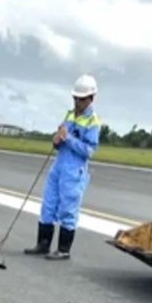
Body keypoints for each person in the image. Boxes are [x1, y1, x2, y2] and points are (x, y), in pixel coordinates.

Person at [24, 74, 101, 260]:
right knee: (48, 204)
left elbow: (89, 150)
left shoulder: (93, 122)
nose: (77, 102)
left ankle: (64, 249)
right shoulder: (69, 114)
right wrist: (57, 140)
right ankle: (43, 244)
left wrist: (68, 138)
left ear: (91, 98)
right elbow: (60, 138)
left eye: (81, 99)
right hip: (59, 165)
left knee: (68, 208)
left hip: (74, 170)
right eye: (75, 98)